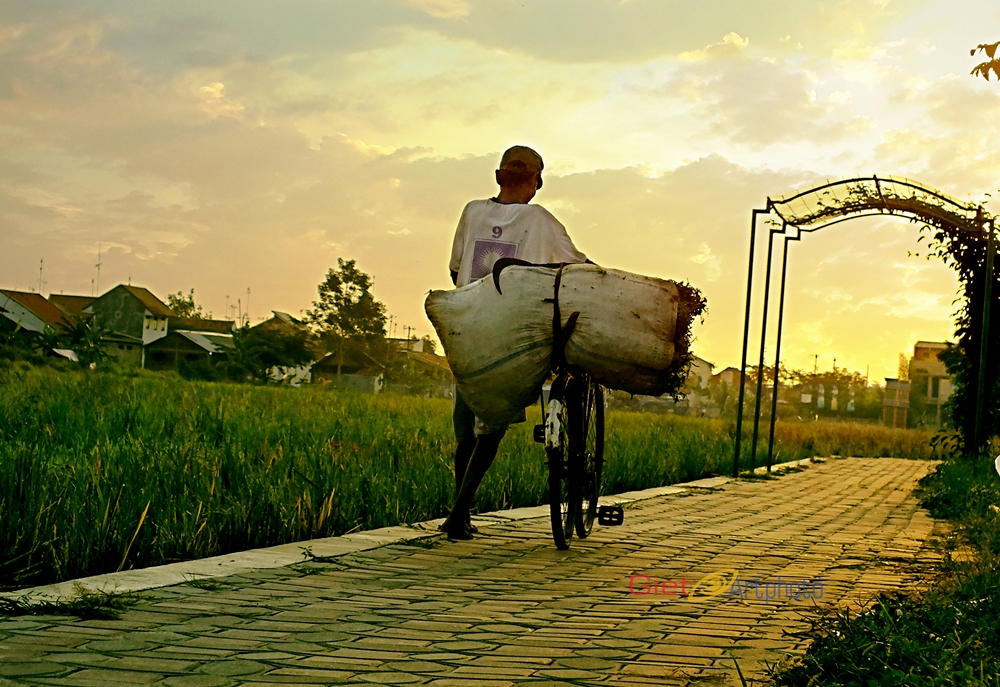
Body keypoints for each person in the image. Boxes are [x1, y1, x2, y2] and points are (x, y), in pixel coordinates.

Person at [441, 145, 588, 540]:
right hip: (509, 333)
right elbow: (577, 265)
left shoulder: (472, 211)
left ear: (498, 175)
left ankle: (460, 511)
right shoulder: (540, 220)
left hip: (467, 327)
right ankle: (458, 513)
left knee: (466, 433)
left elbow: (456, 265)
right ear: (536, 184)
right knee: (490, 432)